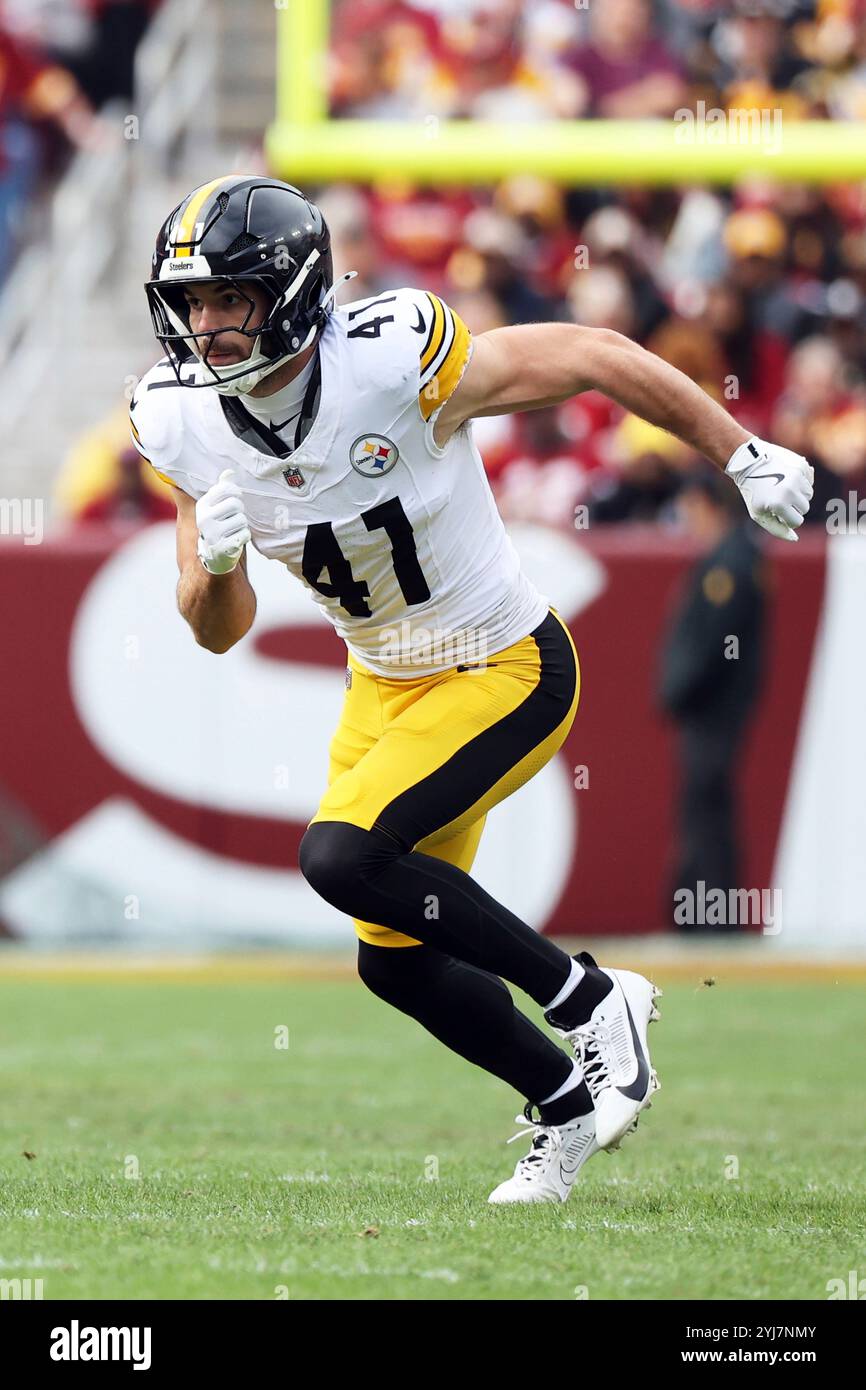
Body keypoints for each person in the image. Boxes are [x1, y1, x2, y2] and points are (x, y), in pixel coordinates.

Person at [130, 175, 814, 1204]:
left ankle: (590, 1000)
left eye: (230, 299)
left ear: (295, 289)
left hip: (503, 661)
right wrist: (216, 565)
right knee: (393, 961)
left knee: (340, 854)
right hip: (384, 684)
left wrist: (739, 451)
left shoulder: (392, 360)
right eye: (192, 304)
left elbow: (590, 354)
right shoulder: (179, 422)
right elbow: (218, 631)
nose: (207, 327)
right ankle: (561, 1108)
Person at [658, 470, 766, 930]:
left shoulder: (729, 565)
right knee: (706, 809)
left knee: (706, 811)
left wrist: (676, 690)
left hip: (714, 710)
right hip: (715, 709)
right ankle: (707, 913)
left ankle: (711, 919)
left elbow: (713, 645)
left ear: (710, 505)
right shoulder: (737, 558)